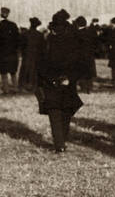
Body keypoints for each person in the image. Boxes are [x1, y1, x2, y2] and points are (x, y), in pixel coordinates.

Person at [36, 10, 84, 153]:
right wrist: (70, 79)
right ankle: (62, 140)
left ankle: (59, 144)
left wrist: (50, 80)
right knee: (66, 111)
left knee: (55, 112)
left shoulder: (48, 42)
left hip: (51, 83)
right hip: (67, 83)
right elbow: (79, 64)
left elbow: (41, 65)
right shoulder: (73, 41)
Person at [0, 7, 21, 93]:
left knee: (3, 72)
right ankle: (15, 88)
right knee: (13, 72)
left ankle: (6, 89)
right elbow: (18, 39)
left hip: (1, 53)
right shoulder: (13, 25)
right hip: (11, 52)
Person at [19, 18, 42, 92]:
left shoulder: (24, 34)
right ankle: (33, 85)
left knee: (25, 70)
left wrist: (23, 53)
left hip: (26, 54)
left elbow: (21, 46)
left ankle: (23, 85)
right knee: (34, 70)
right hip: (36, 55)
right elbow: (42, 47)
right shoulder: (39, 35)